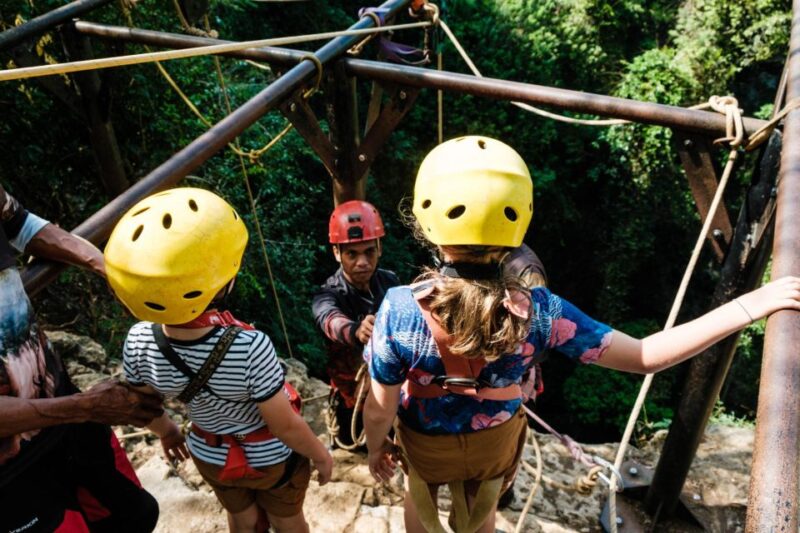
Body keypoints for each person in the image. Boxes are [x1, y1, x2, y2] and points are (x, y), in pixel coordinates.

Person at [362, 136, 800, 533]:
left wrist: (377, 450)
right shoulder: (542, 312)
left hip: (424, 441)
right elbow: (647, 355)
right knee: (483, 507)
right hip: (491, 445)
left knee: (419, 494)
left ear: (425, 219)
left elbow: (380, 409)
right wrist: (749, 305)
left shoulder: (400, 309)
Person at [106, 188, 333, 533]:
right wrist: (320, 454)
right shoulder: (249, 346)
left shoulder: (139, 340)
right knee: (288, 521)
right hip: (270, 458)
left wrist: (168, 433)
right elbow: (283, 425)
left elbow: (144, 405)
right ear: (222, 281)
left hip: (210, 452)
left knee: (241, 519)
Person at [0, 185, 163, 533]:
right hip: (11, 465)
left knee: (135, 515)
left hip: (59, 403)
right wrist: (86, 406)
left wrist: (107, 267)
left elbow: (21, 224)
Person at [312, 200, 400, 447]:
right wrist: (355, 330)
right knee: (349, 450)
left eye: (369, 252)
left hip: (388, 393)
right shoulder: (328, 294)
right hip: (351, 398)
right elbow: (330, 320)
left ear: (379, 248)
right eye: (352, 253)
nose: (362, 262)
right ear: (337, 253)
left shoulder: (391, 283)